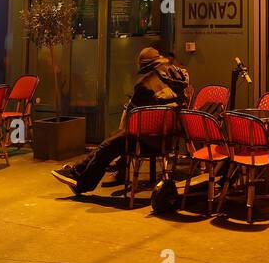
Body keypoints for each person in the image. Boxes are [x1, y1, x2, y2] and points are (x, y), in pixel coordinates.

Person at [51, 47, 190, 196]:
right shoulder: (176, 75)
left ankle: (81, 181)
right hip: (171, 138)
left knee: (109, 144)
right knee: (115, 138)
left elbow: (132, 116)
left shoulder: (144, 84)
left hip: (149, 140)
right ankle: (78, 172)